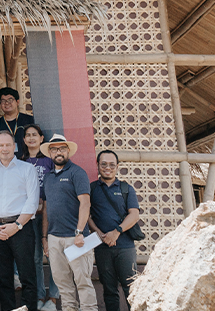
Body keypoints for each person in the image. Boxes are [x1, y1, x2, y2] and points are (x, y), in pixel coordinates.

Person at [0, 131, 40, 311]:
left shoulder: (27, 169)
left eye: (8, 145)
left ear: (14, 146)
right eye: (1, 145)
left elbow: (33, 201)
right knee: (3, 277)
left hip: (21, 227)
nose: (4, 149)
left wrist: (17, 225)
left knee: (27, 275)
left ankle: (30, 308)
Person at [40, 135, 97, 311]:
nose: (58, 152)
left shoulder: (77, 173)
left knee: (83, 282)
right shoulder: (48, 177)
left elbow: (85, 203)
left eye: (62, 148)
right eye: (54, 149)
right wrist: (45, 237)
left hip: (76, 238)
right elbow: (46, 209)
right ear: (50, 152)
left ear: (68, 151)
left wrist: (79, 231)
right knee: (63, 284)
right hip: (54, 239)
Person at [89, 150, 140, 311]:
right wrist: (96, 231)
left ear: (117, 167)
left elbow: (134, 215)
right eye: (103, 164)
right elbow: (86, 214)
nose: (107, 167)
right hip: (102, 248)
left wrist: (116, 232)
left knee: (131, 289)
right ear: (97, 165)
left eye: (112, 164)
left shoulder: (126, 188)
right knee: (109, 290)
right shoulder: (91, 188)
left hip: (125, 247)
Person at [21, 125, 56, 311]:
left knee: (53, 256)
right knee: (35, 258)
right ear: (24, 140)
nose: (31, 138)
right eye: (28, 135)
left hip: (50, 214)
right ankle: (40, 296)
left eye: (35, 135)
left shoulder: (49, 161)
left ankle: (54, 297)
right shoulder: (21, 161)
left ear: (42, 138)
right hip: (30, 215)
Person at [0, 88, 34, 154]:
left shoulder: (30, 120)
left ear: (17, 102)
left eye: (10, 100)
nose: (6, 103)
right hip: (6, 160)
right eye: (3, 101)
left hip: (27, 159)